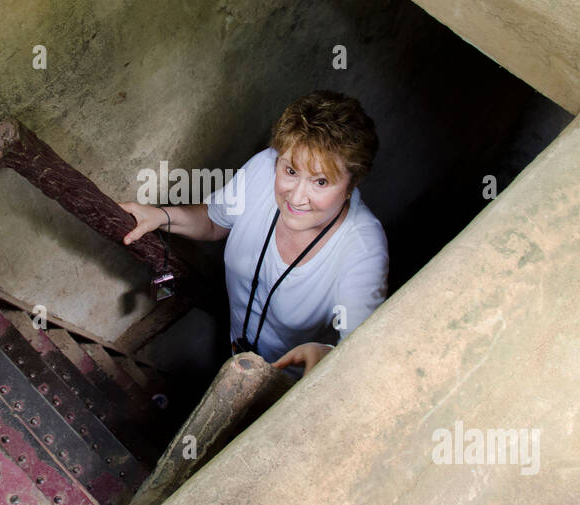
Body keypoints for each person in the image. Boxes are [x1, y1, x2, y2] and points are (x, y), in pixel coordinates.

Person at [119, 90, 388, 377]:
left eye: (320, 182)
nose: (296, 197)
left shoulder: (363, 249)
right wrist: (162, 216)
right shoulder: (263, 167)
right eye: (291, 171)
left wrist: (329, 355)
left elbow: (362, 355)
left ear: (351, 186)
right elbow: (214, 220)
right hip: (236, 354)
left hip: (288, 387)